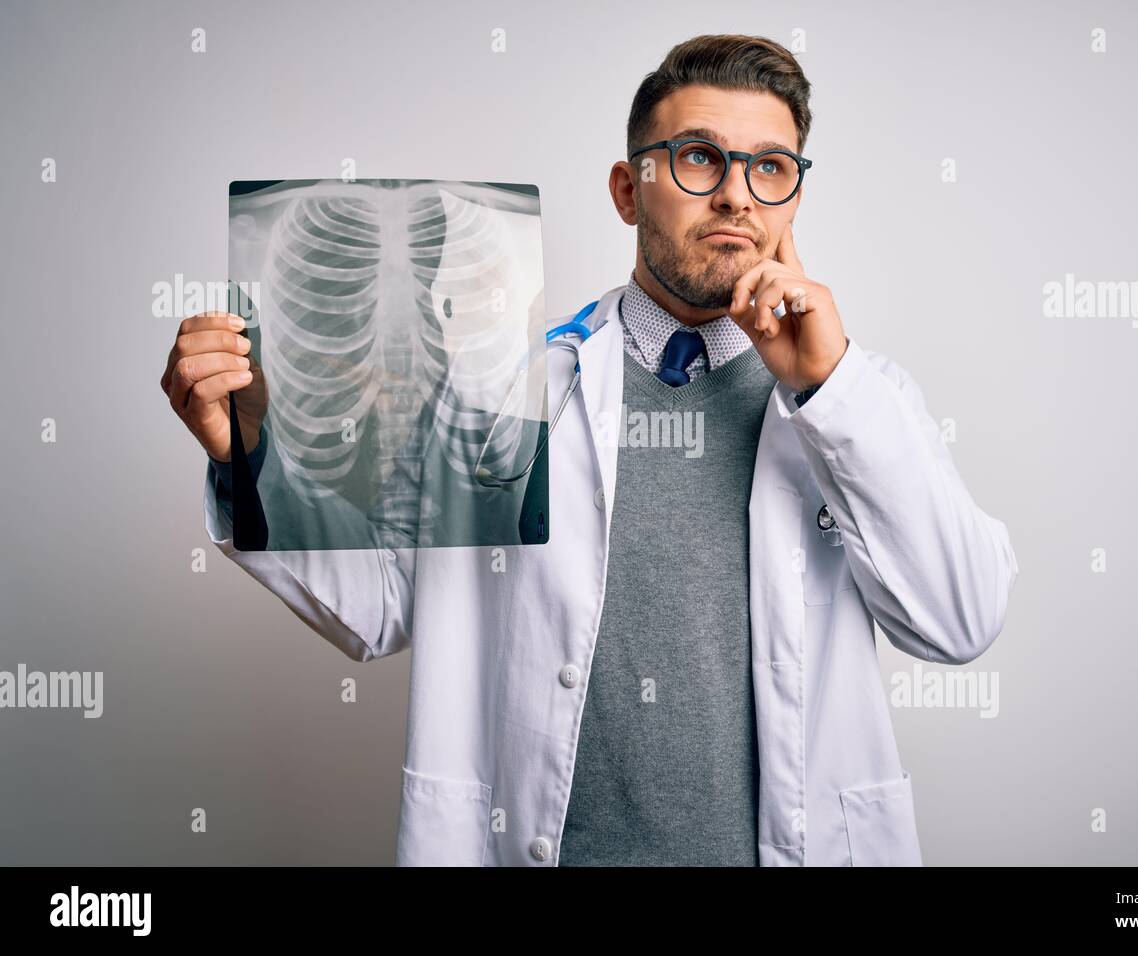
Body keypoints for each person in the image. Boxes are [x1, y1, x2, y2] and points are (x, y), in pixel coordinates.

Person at [159, 34, 1018, 866]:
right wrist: (251, 457)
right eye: (697, 158)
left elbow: (960, 620)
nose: (736, 197)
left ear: (793, 196)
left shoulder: (862, 400)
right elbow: (378, 606)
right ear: (627, 188)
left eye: (770, 168)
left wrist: (828, 388)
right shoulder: (503, 392)